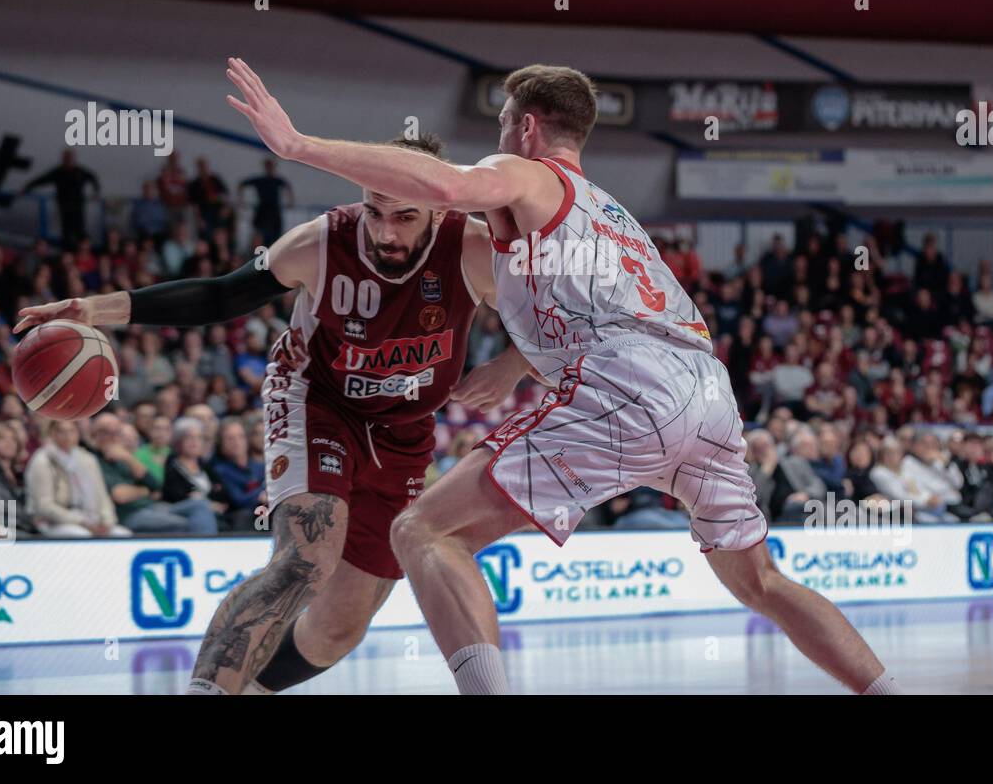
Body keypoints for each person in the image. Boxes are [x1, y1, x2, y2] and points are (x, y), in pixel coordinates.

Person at [226, 57, 898, 695]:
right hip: (706, 388)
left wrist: (299, 145)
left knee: (422, 531)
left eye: (502, 126)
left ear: (527, 127)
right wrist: (514, 364)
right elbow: (587, 308)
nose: (497, 141)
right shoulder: (610, 212)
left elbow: (447, 187)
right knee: (760, 582)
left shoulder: (527, 173)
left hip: (630, 385)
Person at [14, 129, 514, 696]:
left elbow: (561, 319)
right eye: (375, 211)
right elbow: (220, 295)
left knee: (339, 628)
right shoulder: (321, 242)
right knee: (305, 561)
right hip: (317, 402)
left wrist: (513, 365)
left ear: (440, 207)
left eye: (404, 216)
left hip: (405, 430)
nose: (385, 232)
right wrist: (93, 309)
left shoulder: (475, 249)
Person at [23, 419, 130, 538]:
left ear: (78, 433)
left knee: (122, 534)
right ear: (52, 433)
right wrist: (82, 522)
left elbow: (102, 496)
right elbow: (44, 506)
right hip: (54, 522)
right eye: (62, 431)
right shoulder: (42, 461)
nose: (67, 436)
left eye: (72, 431)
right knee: (81, 536)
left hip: (92, 519)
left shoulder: (88, 459)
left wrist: (107, 521)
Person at [22, 149, 100, 248]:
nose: (68, 160)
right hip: (64, 208)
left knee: (80, 232)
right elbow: (41, 179)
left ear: (73, 158)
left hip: (78, 207)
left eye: (70, 157)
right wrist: (26, 188)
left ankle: (82, 253)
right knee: (67, 233)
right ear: (63, 159)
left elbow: (93, 177)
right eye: (66, 157)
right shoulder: (58, 172)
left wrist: (96, 191)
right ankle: (68, 253)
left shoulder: (80, 171)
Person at [240, 158, 294, 247]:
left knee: (276, 238)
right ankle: (257, 254)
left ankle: (272, 253)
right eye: (268, 166)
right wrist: (241, 201)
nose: (270, 168)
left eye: (271, 166)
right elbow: (242, 185)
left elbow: (288, 187)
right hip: (262, 211)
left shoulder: (277, 180)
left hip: (274, 211)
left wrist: (290, 202)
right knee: (260, 238)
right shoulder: (259, 180)